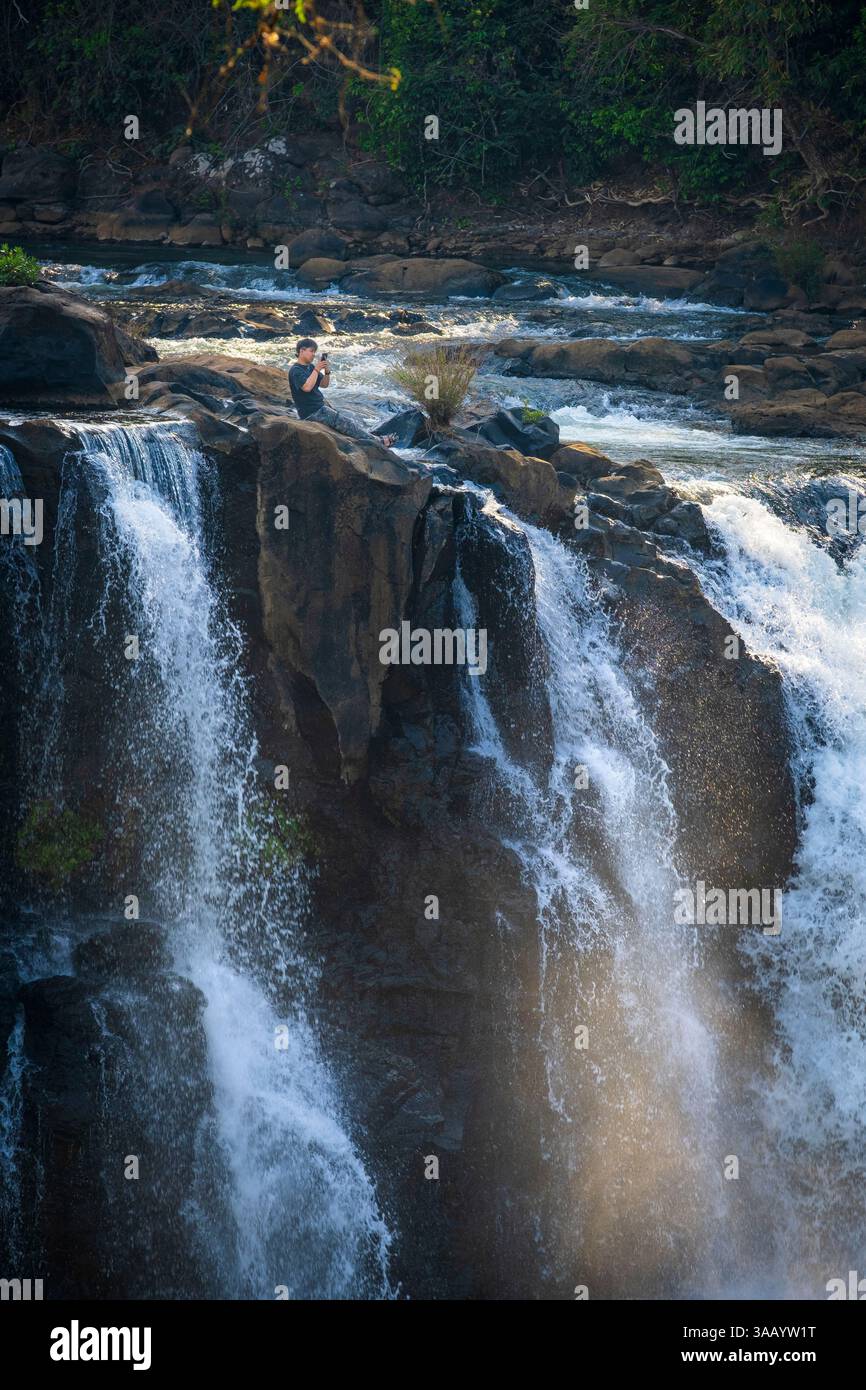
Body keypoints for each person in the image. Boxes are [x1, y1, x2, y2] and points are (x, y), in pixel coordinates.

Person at [288, 339, 397, 448]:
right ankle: (379, 442)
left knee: (346, 422)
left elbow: (324, 384)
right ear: (302, 351)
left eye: (314, 352)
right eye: (311, 351)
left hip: (320, 408)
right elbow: (307, 387)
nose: (313, 355)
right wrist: (316, 369)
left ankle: (372, 438)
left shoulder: (310, 367)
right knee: (346, 423)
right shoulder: (296, 370)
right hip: (311, 413)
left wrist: (326, 371)